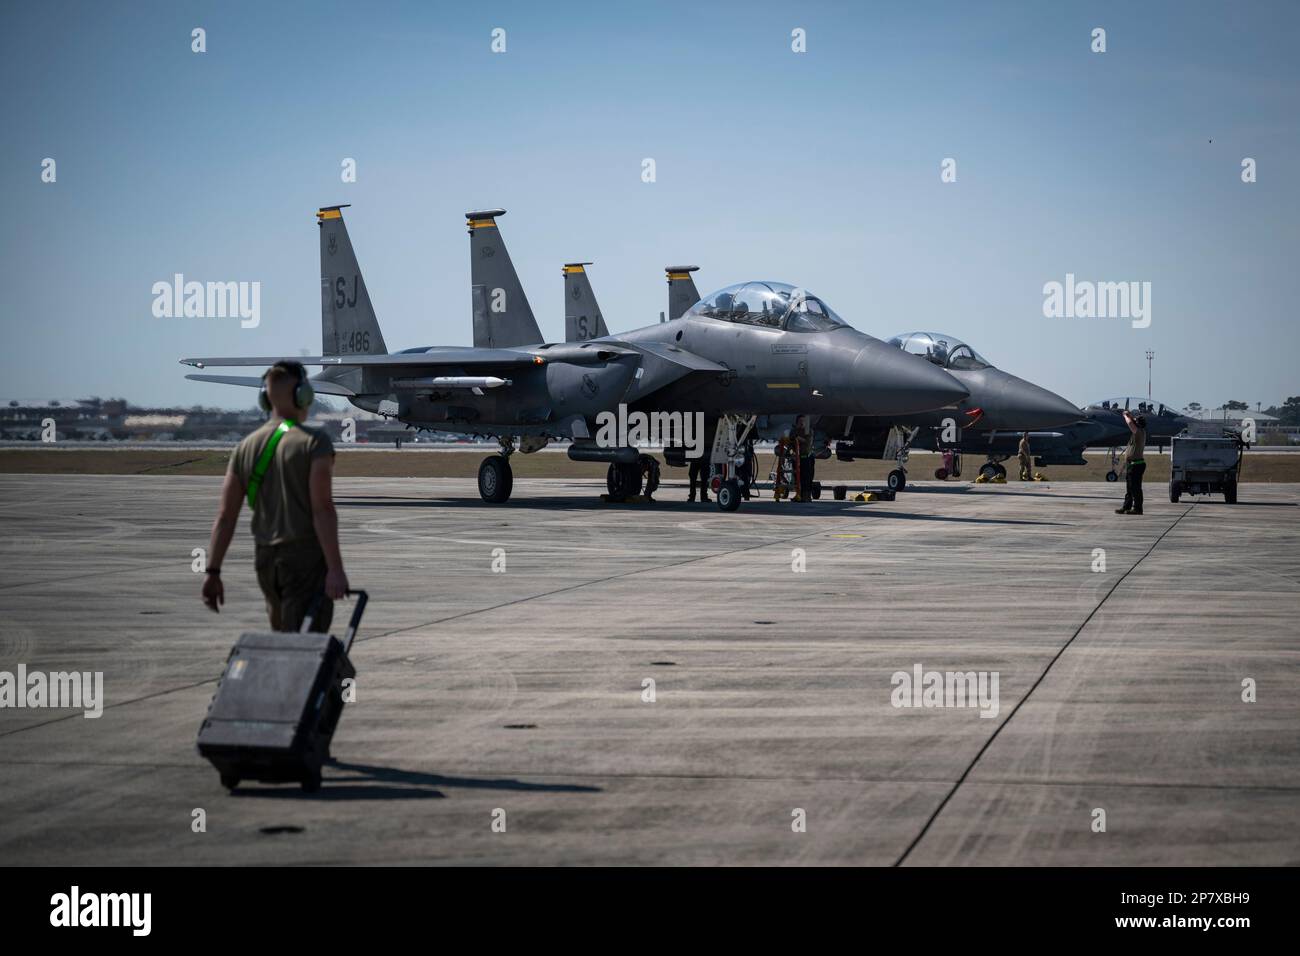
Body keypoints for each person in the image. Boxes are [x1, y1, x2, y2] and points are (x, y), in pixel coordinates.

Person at [201, 361, 349, 631]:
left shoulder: (245, 446)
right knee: (304, 643)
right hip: (303, 559)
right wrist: (335, 569)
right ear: (304, 395)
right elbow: (322, 510)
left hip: (265, 558)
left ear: (264, 399)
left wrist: (213, 572)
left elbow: (225, 516)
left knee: (279, 633)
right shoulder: (314, 443)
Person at [1116, 410, 1147, 515]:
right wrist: (1131, 416)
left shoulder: (1139, 432)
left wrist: (1125, 416)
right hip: (1132, 464)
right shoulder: (1138, 432)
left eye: (1135, 421)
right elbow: (1132, 422)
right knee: (1129, 488)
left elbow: (1130, 423)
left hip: (1136, 464)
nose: (1133, 421)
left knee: (1135, 488)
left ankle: (1138, 508)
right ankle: (1126, 506)